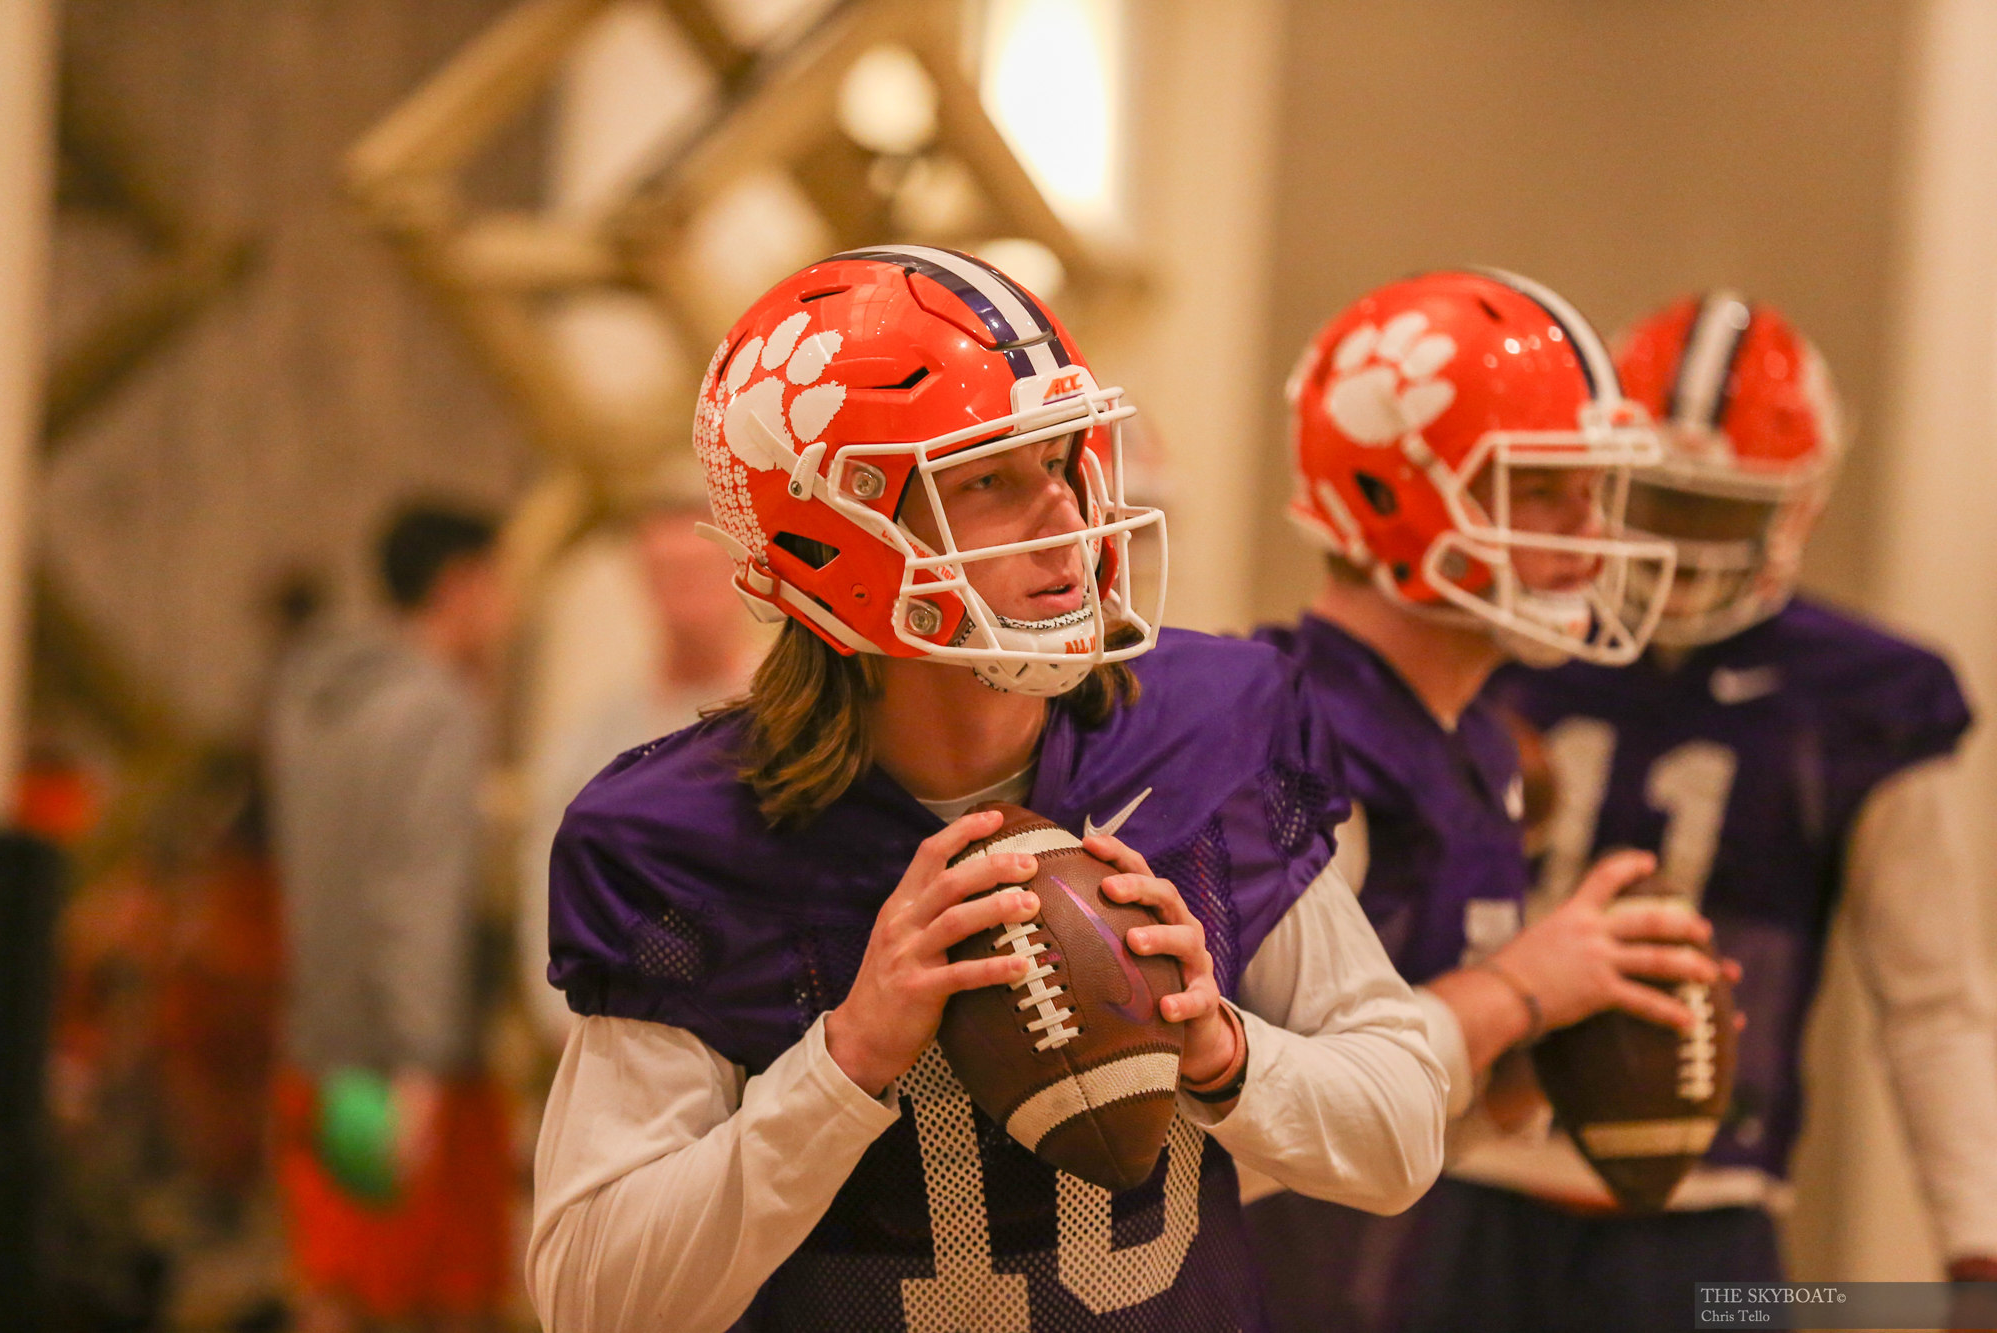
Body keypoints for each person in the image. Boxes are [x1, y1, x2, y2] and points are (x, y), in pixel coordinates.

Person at [525, 245, 1449, 1333]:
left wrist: (1219, 1047)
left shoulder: (1205, 731)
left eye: (1062, 461)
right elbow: (594, 1301)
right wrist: (845, 1061)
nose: (1064, 517)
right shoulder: (687, 839)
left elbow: (1402, 1135)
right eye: (987, 480)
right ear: (833, 535)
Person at [1480, 294, 1997, 1309]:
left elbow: (1933, 999)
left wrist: (1977, 1247)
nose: (1681, 548)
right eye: (1661, 502)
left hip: (1706, 1211)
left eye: (1717, 512)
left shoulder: (1864, 696)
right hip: (1465, 1177)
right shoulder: (1500, 640)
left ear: (1795, 508)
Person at [1243, 269, 1734, 1333]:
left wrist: (1541, 1061)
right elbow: (1232, 1117)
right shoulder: (1278, 739)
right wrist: (1517, 989)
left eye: (1591, 489)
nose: (1588, 528)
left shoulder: (1474, 743)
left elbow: (1395, 1137)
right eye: (1541, 488)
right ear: (1392, 497)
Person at [266, 502, 513, 1333]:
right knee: (450, 1296)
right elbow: (418, 890)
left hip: (317, 1043)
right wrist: (419, 1061)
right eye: (500, 586)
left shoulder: (311, 696)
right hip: (421, 1058)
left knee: (334, 1286)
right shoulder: (436, 707)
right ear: (460, 586)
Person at [516, 497, 763, 1051]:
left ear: (736, 572)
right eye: (667, 573)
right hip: (625, 1033)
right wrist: (562, 1013)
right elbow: (551, 872)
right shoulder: (598, 734)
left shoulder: (787, 718)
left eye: (698, 571)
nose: (685, 593)